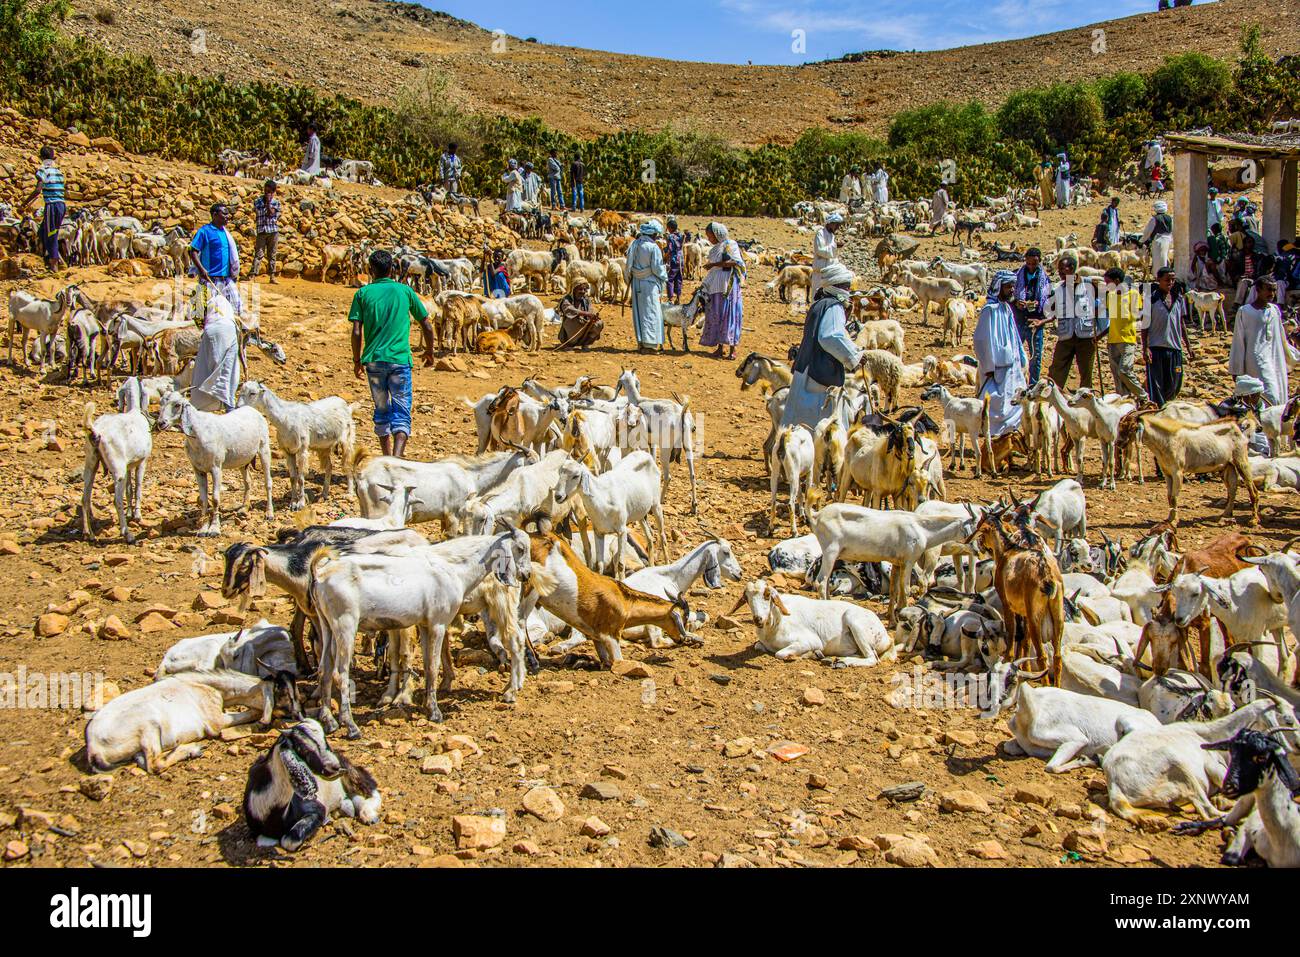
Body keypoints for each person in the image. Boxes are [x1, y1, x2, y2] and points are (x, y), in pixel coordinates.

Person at [349, 249, 435, 459]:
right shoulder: (405, 291)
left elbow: (357, 331)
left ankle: (387, 457)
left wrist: (357, 360)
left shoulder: (362, 294)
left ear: (371, 270)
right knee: (402, 409)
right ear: (393, 269)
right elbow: (426, 324)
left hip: (374, 362)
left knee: (381, 409)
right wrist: (430, 351)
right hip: (399, 361)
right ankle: (396, 459)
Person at [781, 262, 865, 431]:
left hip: (806, 364)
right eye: (846, 286)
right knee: (818, 420)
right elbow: (830, 336)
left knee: (798, 416)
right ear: (838, 286)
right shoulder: (833, 306)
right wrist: (856, 356)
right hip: (818, 371)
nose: (848, 290)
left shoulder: (819, 303)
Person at [973, 271, 1028, 437]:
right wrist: (989, 365)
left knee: (1014, 400)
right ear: (999, 288)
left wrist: (1022, 358)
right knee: (996, 401)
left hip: (1012, 366)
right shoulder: (990, 310)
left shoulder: (1006, 308)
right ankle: (994, 435)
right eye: (1007, 286)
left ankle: (1009, 436)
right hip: (996, 367)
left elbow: (1015, 336)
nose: (1012, 290)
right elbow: (982, 340)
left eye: (1013, 286)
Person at [1229, 277, 1297, 406]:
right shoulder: (1245, 311)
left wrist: (1291, 355)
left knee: (1278, 392)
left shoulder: (1274, 310)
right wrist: (1236, 369)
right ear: (1258, 290)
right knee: (1270, 395)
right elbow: (1238, 341)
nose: (1272, 293)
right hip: (1255, 360)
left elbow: (1280, 337)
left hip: (1274, 359)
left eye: (1274, 290)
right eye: (1268, 290)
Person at [1045, 254, 1098, 390]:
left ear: (1073, 268)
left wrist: (1100, 333)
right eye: (1059, 269)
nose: (1060, 272)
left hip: (1086, 336)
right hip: (1066, 335)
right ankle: (1054, 398)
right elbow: (1054, 310)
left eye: (1064, 269)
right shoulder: (1058, 289)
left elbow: (1101, 307)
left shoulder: (1089, 285)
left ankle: (1086, 401)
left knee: (1086, 372)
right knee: (1056, 370)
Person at [1144, 266, 1194, 407]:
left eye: (1172, 280)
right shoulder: (1151, 299)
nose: (1170, 283)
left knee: (1175, 383)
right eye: (1167, 280)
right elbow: (1145, 325)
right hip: (1156, 347)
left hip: (1174, 348)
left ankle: (1168, 406)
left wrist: (1188, 346)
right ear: (1158, 280)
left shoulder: (1178, 298)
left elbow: (1181, 323)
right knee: (1156, 384)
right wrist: (1145, 347)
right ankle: (1159, 411)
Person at [698, 221, 745, 359]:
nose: (709, 239)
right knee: (718, 314)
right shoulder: (715, 249)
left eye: (710, 236)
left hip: (728, 286)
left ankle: (733, 349)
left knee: (730, 314)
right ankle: (720, 347)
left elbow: (735, 262)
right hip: (716, 286)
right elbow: (713, 271)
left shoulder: (730, 245)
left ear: (717, 234)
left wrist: (714, 264)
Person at [190, 292, 242, 413]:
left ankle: (204, 405)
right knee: (228, 368)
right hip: (230, 327)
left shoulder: (200, 291)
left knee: (207, 368)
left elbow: (198, 321)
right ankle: (229, 405)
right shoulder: (226, 293)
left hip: (211, 330)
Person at [188, 203, 242, 316]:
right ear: (215, 215)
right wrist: (201, 269)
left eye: (228, 214)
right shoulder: (204, 231)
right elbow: (193, 251)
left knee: (236, 308)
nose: (227, 216)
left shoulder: (225, 233)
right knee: (203, 313)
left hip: (226, 279)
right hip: (210, 279)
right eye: (224, 213)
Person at [1101, 267, 1147, 400]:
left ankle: (1143, 396)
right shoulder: (1111, 296)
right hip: (1112, 340)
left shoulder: (1133, 294)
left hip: (1128, 339)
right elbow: (1113, 321)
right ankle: (1125, 401)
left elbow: (1139, 315)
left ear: (1117, 281)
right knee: (1117, 375)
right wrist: (1099, 336)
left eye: (1108, 283)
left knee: (1124, 371)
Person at [625, 219, 667, 352]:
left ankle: (642, 342)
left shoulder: (635, 244)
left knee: (640, 312)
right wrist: (664, 275)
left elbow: (628, 266)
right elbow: (657, 268)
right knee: (651, 312)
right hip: (650, 284)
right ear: (653, 234)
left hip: (637, 283)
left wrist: (630, 279)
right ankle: (651, 344)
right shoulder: (653, 247)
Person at [1012, 247, 1051, 384]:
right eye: (1028, 263)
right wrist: (1016, 302)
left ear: (1039, 262)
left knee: (1035, 356)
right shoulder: (1016, 276)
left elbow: (1049, 302)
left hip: (1036, 323)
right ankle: (1015, 381)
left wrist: (1039, 304)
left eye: (1034, 263)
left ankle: (1033, 385)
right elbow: (1008, 296)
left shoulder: (1045, 280)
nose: (1031, 266)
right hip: (1018, 321)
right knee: (1014, 352)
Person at [24, 146, 65, 270]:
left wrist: (25, 203)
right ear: (53, 157)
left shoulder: (43, 170)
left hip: (52, 206)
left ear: (41, 157)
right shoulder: (58, 171)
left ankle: (54, 265)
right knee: (42, 233)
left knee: (50, 234)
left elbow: (38, 190)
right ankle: (56, 259)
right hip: (61, 205)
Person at [1230, 376, 1273, 457]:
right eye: (1257, 395)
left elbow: (1260, 433)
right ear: (1249, 396)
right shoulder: (1235, 409)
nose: (1259, 398)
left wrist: (1264, 452)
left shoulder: (1258, 405)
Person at [249, 179, 281, 283]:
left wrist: (268, 203)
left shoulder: (276, 203)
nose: (268, 193)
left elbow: (272, 214)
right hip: (262, 231)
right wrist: (266, 202)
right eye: (266, 191)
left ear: (273, 192)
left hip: (273, 231)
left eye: (270, 192)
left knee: (272, 254)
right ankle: (253, 275)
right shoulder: (258, 201)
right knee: (259, 254)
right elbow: (259, 212)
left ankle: (272, 276)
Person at [555, 280, 602, 350]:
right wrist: (586, 314)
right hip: (571, 329)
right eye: (580, 289)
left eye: (584, 289)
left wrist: (593, 317)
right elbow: (569, 310)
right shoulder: (566, 299)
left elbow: (590, 310)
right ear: (574, 289)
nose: (583, 291)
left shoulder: (586, 299)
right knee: (573, 321)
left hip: (584, 324)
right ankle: (569, 344)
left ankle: (586, 344)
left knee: (598, 324)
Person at [810, 212, 842, 299]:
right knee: (817, 295)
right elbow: (820, 250)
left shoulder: (832, 236)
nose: (838, 227)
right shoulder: (820, 233)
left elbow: (833, 254)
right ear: (830, 223)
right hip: (820, 272)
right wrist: (835, 246)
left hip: (829, 272)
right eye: (836, 225)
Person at [1141, 200, 1173, 274]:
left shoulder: (1154, 219)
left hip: (1159, 240)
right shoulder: (1170, 218)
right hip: (1168, 240)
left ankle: (1159, 275)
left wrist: (1142, 240)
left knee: (1158, 259)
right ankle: (1166, 274)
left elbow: (1148, 231)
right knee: (1165, 258)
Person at [664, 218, 684, 304]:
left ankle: (670, 298)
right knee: (679, 278)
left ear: (670, 228)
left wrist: (665, 257)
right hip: (681, 260)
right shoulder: (681, 235)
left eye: (668, 227)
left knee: (670, 279)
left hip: (673, 260)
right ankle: (678, 298)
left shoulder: (670, 237)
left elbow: (669, 249)